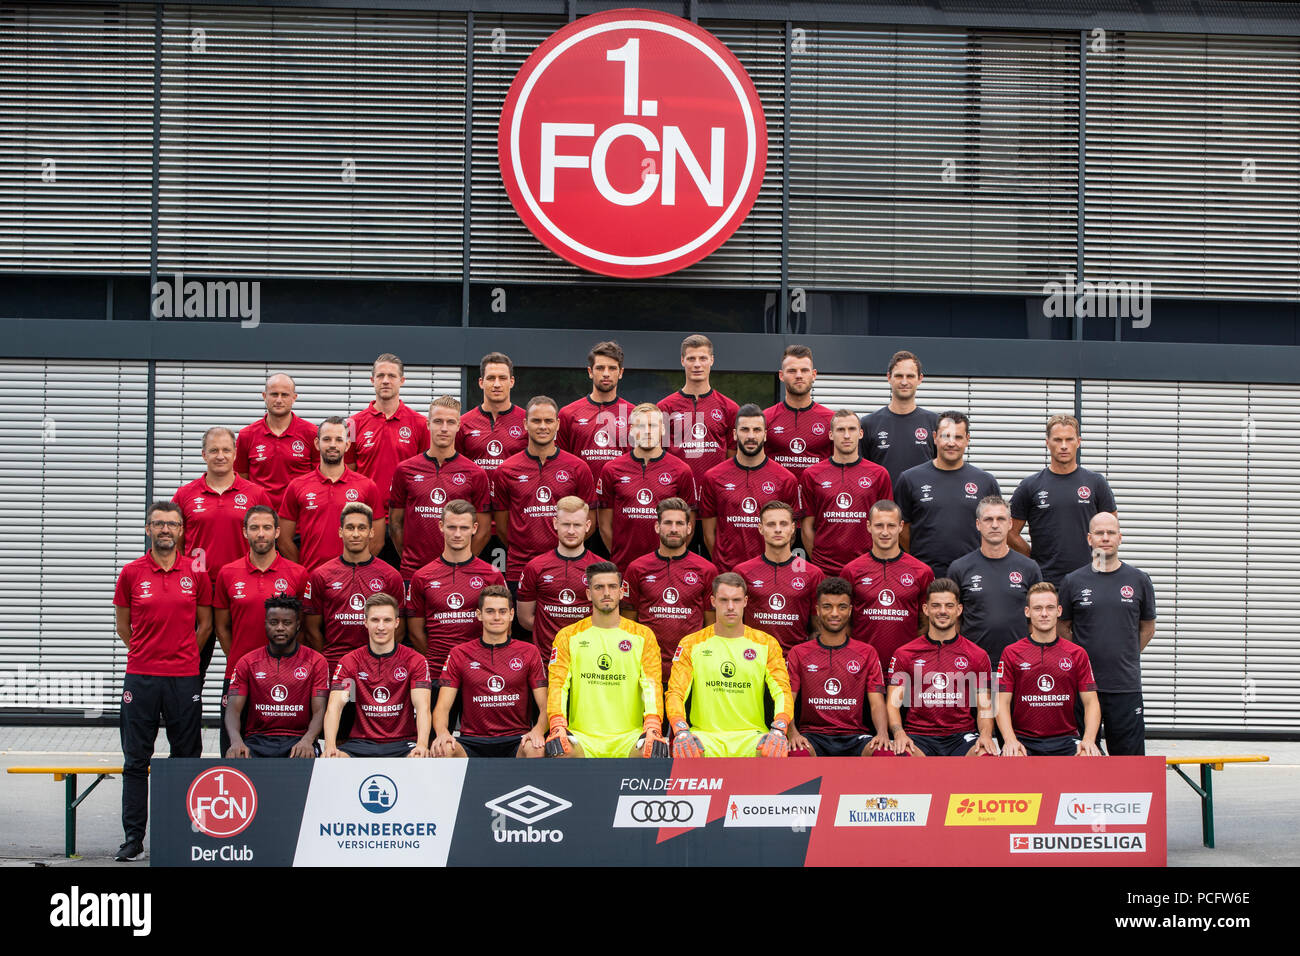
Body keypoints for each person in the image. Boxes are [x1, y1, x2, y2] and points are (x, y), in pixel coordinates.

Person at [112, 502, 212, 862]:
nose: (165, 530)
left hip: (184, 678)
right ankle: (133, 838)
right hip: (141, 677)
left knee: (186, 757)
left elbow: (205, 625)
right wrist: (146, 652)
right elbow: (124, 626)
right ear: (147, 530)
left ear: (182, 530)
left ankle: (185, 831)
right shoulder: (131, 573)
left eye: (172, 524)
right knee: (136, 760)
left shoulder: (196, 572)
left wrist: (184, 654)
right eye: (158, 524)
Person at [172, 426, 273, 679]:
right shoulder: (185, 495)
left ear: (235, 454)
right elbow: (175, 543)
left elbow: (268, 539)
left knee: (247, 664)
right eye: (214, 450)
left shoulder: (255, 493)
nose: (220, 455)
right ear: (203, 454)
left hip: (241, 589)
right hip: (197, 590)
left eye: (226, 450)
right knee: (191, 669)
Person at [544, 563, 668, 758]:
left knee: (652, 753)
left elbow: (651, 685)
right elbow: (558, 686)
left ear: (621, 592)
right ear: (588, 593)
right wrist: (557, 724)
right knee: (560, 753)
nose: (606, 592)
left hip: (629, 737)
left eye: (612, 587)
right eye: (599, 587)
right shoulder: (568, 636)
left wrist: (653, 725)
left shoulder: (643, 635)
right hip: (583, 737)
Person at [212, 505, 309, 755]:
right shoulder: (227, 573)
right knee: (233, 750)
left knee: (281, 751)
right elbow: (221, 626)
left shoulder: (297, 574)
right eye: (254, 528)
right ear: (245, 532)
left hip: (284, 677)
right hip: (239, 673)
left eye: (267, 528)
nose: (261, 533)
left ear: (278, 532)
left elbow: (304, 626)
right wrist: (241, 659)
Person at [1057, 513, 1156, 756]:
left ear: (1120, 538)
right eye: (1099, 533)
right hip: (1083, 687)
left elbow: (1147, 628)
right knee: (1083, 757)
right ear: (1089, 539)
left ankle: (1127, 797)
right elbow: (1063, 628)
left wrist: (1125, 654)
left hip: (1124, 685)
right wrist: (1081, 661)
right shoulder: (1073, 581)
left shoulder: (1139, 580)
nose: (1105, 538)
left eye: (1111, 533)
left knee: (1129, 761)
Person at [667, 573, 794, 758]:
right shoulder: (691, 643)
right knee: (687, 751)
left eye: (736, 600)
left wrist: (780, 726)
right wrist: (681, 729)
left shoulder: (766, 643)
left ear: (745, 601)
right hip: (706, 736)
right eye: (724, 600)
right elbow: (676, 692)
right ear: (713, 601)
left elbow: (782, 690)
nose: (730, 607)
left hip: (751, 736)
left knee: (774, 751)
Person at [491, 395, 596, 589]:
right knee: (522, 619)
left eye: (548, 421)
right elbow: (502, 526)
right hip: (519, 568)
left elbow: (590, 522)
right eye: (536, 421)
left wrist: (563, 549)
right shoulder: (506, 470)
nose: (542, 426)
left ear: (557, 424)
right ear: (525, 424)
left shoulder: (578, 468)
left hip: (567, 566)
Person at [430, 586, 548, 758]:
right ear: (479, 614)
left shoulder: (529, 652)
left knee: (536, 748)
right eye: (490, 611)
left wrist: (537, 731)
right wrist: (442, 733)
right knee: (443, 749)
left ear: (511, 615)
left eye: (502, 611)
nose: (497, 617)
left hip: (516, 739)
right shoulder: (459, 653)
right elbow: (442, 708)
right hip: (472, 741)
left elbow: (545, 706)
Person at [886, 579, 996, 757]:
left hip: (961, 735)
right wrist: (899, 733)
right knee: (900, 757)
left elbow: (985, 706)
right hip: (918, 736)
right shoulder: (904, 653)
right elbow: (892, 704)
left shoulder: (978, 655)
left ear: (959, 610)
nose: (942, 611)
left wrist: (985, 735)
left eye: (949, 606)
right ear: (926, 609)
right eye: (936, 605)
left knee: (986, 756)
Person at [388, 395, 492, 582]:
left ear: (459, 426)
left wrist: (461, 562)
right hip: (413, 573)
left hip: (458, 574)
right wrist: (411, 560)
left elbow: (483, 530)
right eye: (438, 421)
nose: (444, 428)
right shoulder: (405, 470)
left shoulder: (475, 473)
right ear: (428, 424)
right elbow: (395, 524)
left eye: (450, 422)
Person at [785, 577, 890, 756]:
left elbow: (876, 703)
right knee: (796, 753)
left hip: (855, 736)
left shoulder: (867, 652)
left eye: (841, 607)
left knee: (884, 752)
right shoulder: (798, 653)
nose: (835, 613)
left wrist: (882, 733)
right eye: (827, 607)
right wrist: (792, 733)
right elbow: (787, 700)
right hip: (812, 736)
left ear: (849, 611)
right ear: (817, 610)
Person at [1009, 414, 1118, 586]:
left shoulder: (1096, 483)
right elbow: (1009, 532)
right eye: (1058, 440)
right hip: (1046, 582)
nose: (1064, 446)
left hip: (1090, 579)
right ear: (1047, 442)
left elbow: (1111, 530)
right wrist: (1032, 558)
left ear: (1079, 442)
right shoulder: (1030, 486)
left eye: (1069, 439)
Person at [997, 583, 1103, 756]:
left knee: (1088, 757)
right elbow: (1001, 702)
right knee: (1013, 758)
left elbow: (1091, 702)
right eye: (1037, 608)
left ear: (1059, 611)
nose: (1044, 614)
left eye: (1050, 608)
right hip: (1024, 739)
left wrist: (1089, 740)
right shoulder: (1011, 652)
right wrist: (1010, 740)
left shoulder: (1077, 653)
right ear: (1027, 612)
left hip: (1066, 739)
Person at [893, 410, 1000, 579]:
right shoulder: (910, 479)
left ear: (967, 439)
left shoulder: (985, 482)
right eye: (945, 436)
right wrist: (920, 561)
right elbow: (901, 528)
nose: (951, 443)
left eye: (958, 437)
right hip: (924, 574)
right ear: (935, 437)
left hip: (973, 575)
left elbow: (995, 527)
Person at [407, 500, 506, 680]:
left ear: (475, 528)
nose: (458, 534)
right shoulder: (422, 576)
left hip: (480, 671)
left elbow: (503, 628)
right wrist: (438, 660)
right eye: (452, 527)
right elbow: (415, 632)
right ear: (441, 526)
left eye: (464, 528)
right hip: (437, 672)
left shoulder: (492, 576)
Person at [322, 593, 431, 757]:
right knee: (333, 759)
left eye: (387, 620)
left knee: (420, 757)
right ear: (365, 622)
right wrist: (330, 746)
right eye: (375, 620)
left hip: (403, 743)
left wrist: (422, 745)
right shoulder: (349, 661)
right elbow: (334, 707)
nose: (381, 627)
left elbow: (423, 707)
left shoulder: (415, 660)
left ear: (396, 622)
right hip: (361, 743)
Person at [303, 503, 405, 675]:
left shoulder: (390, 575)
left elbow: (399, 628)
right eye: (350, 528)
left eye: (362, 528)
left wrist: (380, 655)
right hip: (335, 666)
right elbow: (311, 629)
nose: (356, 534)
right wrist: (329, 660)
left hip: (377, 667)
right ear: (340, 532)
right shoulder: (321, 575)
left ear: (371, 532)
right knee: (343, 702)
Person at [622, 498, 718, 681]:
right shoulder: (637, 568)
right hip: (646, 670)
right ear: (657, 527)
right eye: (667, 523)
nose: (673, 529)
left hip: (690, 671)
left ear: (689, 528)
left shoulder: (707, 570)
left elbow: (710, 627)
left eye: (679, 523)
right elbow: (628, 625)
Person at [698, 404, 801, 572]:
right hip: (728, 575)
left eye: (757, 430)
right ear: (734, 434)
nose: (751, 436)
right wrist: (723, 567)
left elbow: (790, 534)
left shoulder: (786, 479)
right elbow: (709, 534)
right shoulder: (713, 477)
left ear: (765, 435)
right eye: (745, 430)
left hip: (769, 573)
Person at [597, 402, 696, 574]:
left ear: (663, 430)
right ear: (631, 431)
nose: (647, 431)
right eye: (641, 426)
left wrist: (670, 556)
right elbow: (605, 524)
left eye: (653, 425)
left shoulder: (681, 470)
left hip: (666, 567)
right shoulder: (611, 469)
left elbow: (689, 524)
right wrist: (620, 554)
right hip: (623, 566)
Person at [224, 595, 329, 758]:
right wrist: (236, 741)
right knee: (236, 756)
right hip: (257, 741)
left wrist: (308, 740)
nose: (280, 628)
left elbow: (320, 710)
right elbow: (233, 710)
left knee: (306, 757)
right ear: (265, 624)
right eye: (274, 622)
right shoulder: (247, 662)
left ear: (298, 625)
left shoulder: (316, 661)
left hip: (298, 740)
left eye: (287, 623)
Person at [948, 495, 1043, 672]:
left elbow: (1038, 620)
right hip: (973, 665)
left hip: (1019, 665)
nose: (994, 525)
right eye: (988, 519)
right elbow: (953, 620)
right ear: (978, 524)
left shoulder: (1029, 568)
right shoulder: (960, 568)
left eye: (1001, 519)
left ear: (1010, 524)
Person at [279, 417, 386, 570]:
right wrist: (303, 572)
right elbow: (283, 540)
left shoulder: (366, 486)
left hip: (352, 580)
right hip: (312, 578)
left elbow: (378, 540)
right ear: (317, 443)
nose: (333, 445)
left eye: (339, 440)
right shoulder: (297, 486)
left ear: (347, 445)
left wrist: (357, 567)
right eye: (327, 439)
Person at [800, 409, 892, 577]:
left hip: (867, 569)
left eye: (852, 429)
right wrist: (819, 564)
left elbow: (887, 525)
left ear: (861, 433)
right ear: (830, 435)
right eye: (840, 430)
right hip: (825, 570)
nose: (847, 435)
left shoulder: (879, 474)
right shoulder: (812, 474)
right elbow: (807, 526)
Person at [842, 500, 934, 666]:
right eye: (879, 526)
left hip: (906, 668)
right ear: (869, 526)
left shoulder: (922, 572)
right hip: (863, 666)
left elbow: (926, 623)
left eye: (891, 526)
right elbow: (845, 623)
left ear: (901, 526)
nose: (885, 532)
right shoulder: (851, 571)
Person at [517, 497, 604, 661]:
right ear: (555, 524)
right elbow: (525, 619)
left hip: (589, 660)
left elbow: (609, 617)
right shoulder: (535, 567)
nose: (571, 531)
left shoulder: (601, 568)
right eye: (566, 524)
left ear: (587, 526)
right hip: (547, 660)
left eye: (577, 525)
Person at [733, 501, 825, 653]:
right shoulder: (742, 572)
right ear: (761, 528)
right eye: (771, 524)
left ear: (793, 528)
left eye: (783, 524)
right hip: (752, 660)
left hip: (793, 663)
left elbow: (817, 628)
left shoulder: (813, 574)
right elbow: (734, 624)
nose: (777, 529)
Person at [345, 352, 430, 507]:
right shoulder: (352, 424)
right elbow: (348, 473)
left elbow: (426, 473)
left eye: (391, 376)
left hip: (405, 513)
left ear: (402, 381)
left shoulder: (421, 423)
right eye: (380, 376)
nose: (385, 381)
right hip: (366, 513)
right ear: (372, 380)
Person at [657, 334, 739, 487]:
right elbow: (659, 456)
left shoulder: (730, 408)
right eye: (691, 359)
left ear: (712, 360)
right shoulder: (664, 408)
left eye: (703, 358)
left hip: (715, 492)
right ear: (682, 361)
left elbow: (732, 458)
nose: (697, 365)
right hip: (676, 495)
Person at [234, 372, 319, 514]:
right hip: (260, 520)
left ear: (294, 398)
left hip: (300, 518)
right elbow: (241, 479)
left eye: (284, 395)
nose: (279, 400)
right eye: (274, 394)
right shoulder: (247, 435)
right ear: (264, 396)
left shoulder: (312, 433)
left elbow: (318, 477)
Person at [859, 350, 939, 487]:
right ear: (889, 377)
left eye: (910, 376)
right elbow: (860, 472)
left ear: (920, 378)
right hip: (883, 506)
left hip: (922, 507)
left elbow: (943, 470)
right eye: (899, 376)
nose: (904, 381)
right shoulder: (868, 424)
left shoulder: (935, 423)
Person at [557, 340, 635, 482]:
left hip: (619, 498)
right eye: (600, 368)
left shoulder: (634, 415)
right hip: (580, 500)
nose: (606, 374)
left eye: (612, 368)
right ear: (590, 372)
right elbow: (560, 462)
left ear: (621, 372)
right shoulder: (568, 413)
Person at [763, 344, 834, 480]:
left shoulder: (831, 420)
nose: (799, 376)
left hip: (817, 499)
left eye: (804, 370)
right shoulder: (766, 418)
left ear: (813, 375)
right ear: (781, 375)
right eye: (792, 371)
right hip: (776, 499)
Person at [457, 351, 528, 474]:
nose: (496, 384)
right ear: (481, 382)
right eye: (490, 378)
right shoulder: (463, 423)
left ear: (511, 382)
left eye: (502, 378)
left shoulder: (527, 422)